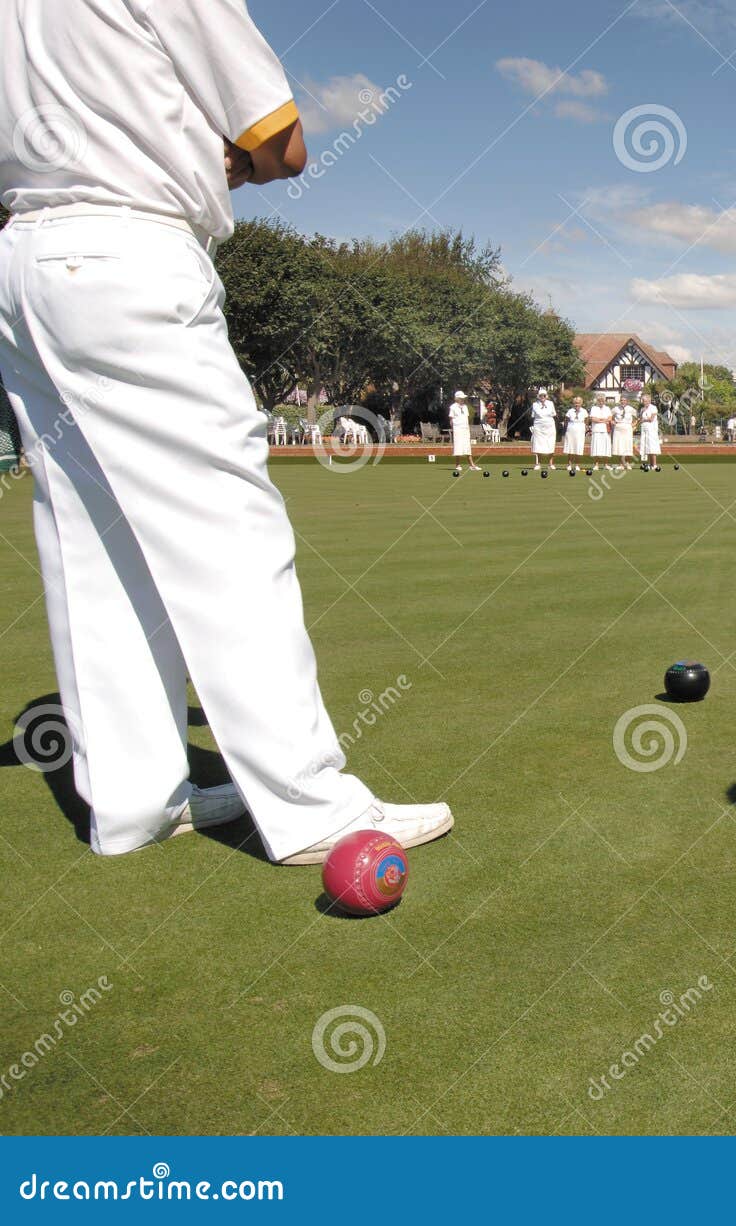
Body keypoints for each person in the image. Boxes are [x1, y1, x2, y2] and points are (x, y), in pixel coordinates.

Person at [0, 0, 452, 865]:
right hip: (129, 248)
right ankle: (309, 803)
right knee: (228, 530)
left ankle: (133, 805)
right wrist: (223, 156)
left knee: (92, 543)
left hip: (25, 261)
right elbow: (280, 140)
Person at [529, 389, 558, 475]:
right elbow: (536, 415)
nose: (542, 397)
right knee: (538, 444)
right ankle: (538, 464)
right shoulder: (535, 404)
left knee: (550, 444)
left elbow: (553, 414)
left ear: (546, 396)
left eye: (544, 395)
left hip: (550, 426)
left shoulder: (551, 403)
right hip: (539, 426)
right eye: (541, 395)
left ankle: (551, 464)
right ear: (538, 396)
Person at [448, 390, 477, 474]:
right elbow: (451, 419)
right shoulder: (453, 407)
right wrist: (453, 429)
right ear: (457, 398)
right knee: (458, 446)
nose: (463, 399)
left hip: (465, 429)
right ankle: (457, 465)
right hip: (457, 429)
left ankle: (472, 465)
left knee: (467, 446)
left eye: (463, 398)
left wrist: (467, 427)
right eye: (461, 398)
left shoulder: (465, 407)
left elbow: (466, 418)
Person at [588, 395, 613, 474]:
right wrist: (603, 420)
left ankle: (606, 465)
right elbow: (593, 419)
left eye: (602, 401)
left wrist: (599, 419)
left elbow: (610, 418)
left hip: (606, 430)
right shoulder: (593, 408)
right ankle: (596, 465)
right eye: (599, 401)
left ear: (604, 401)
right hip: (596, 430)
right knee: (596, 447)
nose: (601, 402)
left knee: (606, 447)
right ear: (597, 401)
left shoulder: (607, 408)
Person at [639, 394, 662, 471]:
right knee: (647, 447)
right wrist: (642, 417)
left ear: (649, 401)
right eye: (643, 401)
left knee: (652, 446)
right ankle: (650, 464)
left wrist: (644, 420)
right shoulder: (642, 409)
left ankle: (654, 464)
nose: (644, 402)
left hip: (651, 430)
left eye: (645, 401)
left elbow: (651, 419)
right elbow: (640, 418)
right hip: (644, 430)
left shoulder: (653, 408)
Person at [563, 396, 586, 475]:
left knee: (578, 448)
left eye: (578, 403)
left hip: (580, 430)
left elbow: (587, 420)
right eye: (575, 403)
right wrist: (566, 430)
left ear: (581, 403)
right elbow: (566, 420)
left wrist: (585, 428)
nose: (577, 404)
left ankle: (577, 465)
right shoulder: (570, 411)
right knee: (570, 448)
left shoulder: (584, 411)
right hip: (570, 430)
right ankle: (569, 465)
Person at [613, 394, 636, 472]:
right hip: (618, 429)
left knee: (627, 446)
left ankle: (628, 464)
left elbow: (638, 417)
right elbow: (609, 417)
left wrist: (634, 425)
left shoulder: (631, 409)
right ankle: (621, 465)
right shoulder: (615, 409)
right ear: (620, 401)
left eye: (624, 400)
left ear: (627, 401)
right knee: (619, 446)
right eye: (622, 400)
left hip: (627, 428)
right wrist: (613, 422)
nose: (623, 402)